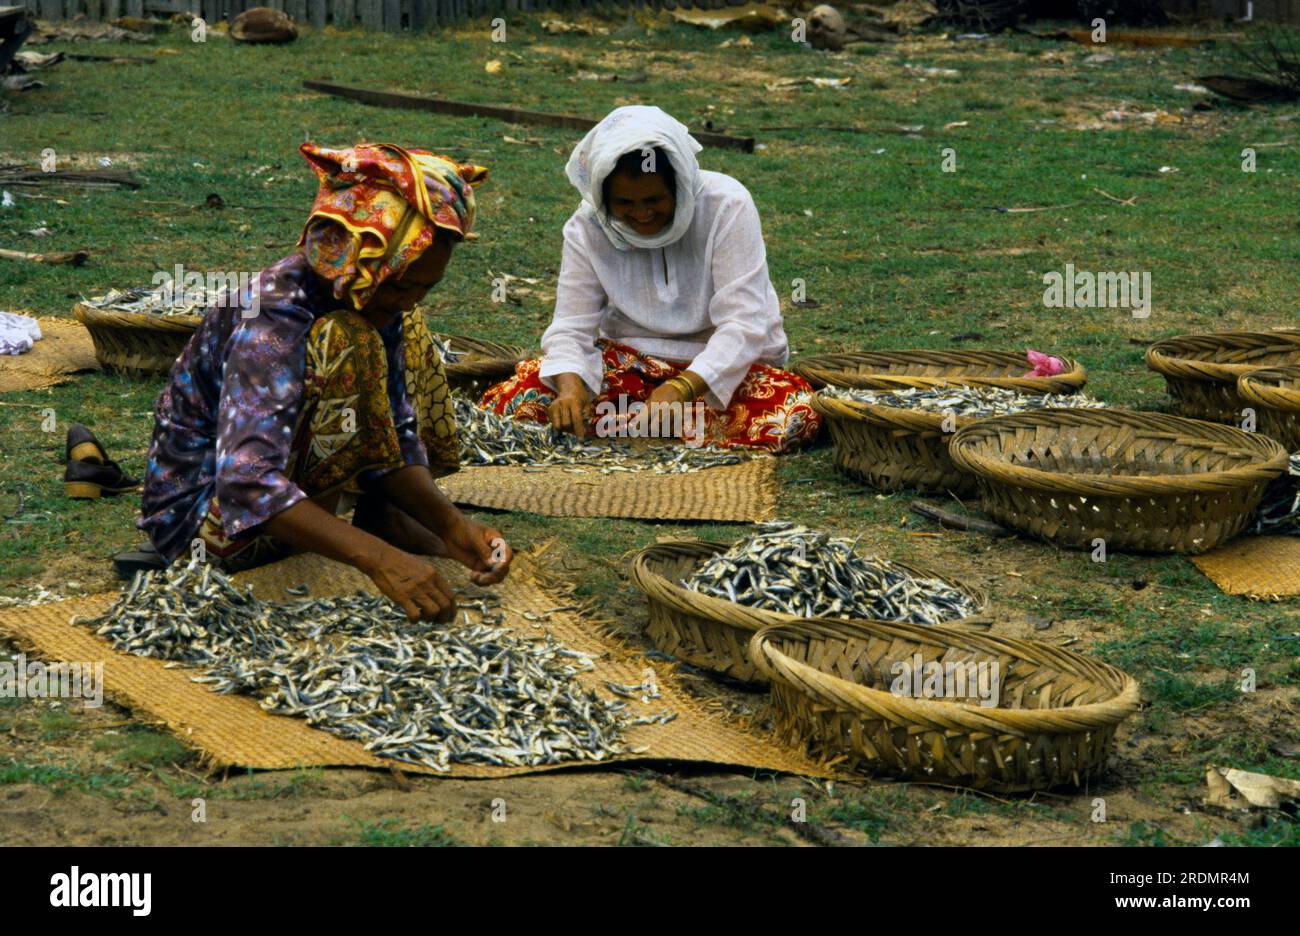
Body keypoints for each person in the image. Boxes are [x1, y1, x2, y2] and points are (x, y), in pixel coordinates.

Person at [137, 142, 513, 622]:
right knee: (346, 340)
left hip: (285, 491)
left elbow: (392, 435)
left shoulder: (367, 292)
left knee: (400, 331)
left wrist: (452, 526)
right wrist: (379, 560)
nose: (407, 300)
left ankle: (384, 517)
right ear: (356, 256)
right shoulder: (274, 315)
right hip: (206, 526)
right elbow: (246, 485)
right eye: (401, 285)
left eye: (424, 287)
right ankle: (374, 528)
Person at [481, 105, 820, 451]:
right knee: (511, 405)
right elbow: (571, 326)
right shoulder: (588, 226)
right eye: (625, 202)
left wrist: (680, 388)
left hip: (720, 374)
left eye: (655, 199)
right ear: (603, 197)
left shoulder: (727, 206)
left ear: (680, 186)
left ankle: (631, 424)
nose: (642, 213)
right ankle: (662, 427)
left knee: (793, 415)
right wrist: (570, 390)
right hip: (630, 365)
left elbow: (744, 325)